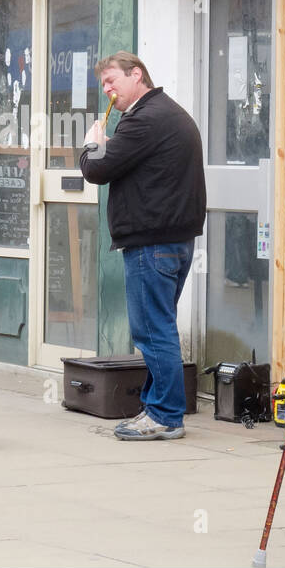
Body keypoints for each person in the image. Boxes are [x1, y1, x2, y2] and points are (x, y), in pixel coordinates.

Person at [80, 51, 206, 441]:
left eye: (113, 80)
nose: (108, 90)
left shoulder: (145, 120)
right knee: (158, 326)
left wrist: (91, 145)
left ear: (138, 75)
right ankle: (155, 408)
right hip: (173, 240)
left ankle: (166, 415)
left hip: (153, 243)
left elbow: (96, 169)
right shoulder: (168, 113)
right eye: (103, 84)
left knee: (152, 330)